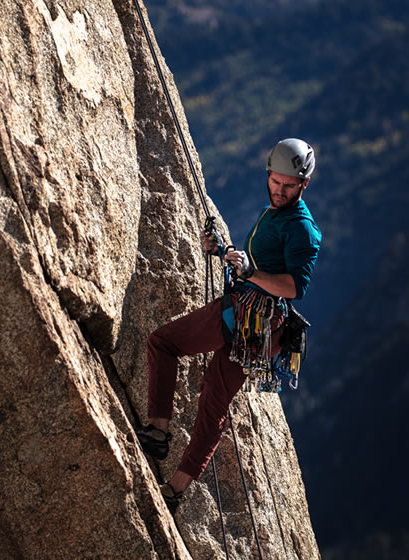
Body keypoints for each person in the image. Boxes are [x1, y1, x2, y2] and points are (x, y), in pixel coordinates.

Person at [135, 138, 322, 512]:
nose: (280, 190)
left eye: (288, 185)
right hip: (258, 328)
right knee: (213, 402)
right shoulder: (274, 213)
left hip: (248, 317)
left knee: (165, 344)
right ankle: (172, 478)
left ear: (304, 185)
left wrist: (250, 273)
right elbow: (259, 266)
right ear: (269, 174)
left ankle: (161, 441)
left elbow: (293, 287)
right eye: (276, 181)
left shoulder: (302, 229)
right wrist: (222, 251)